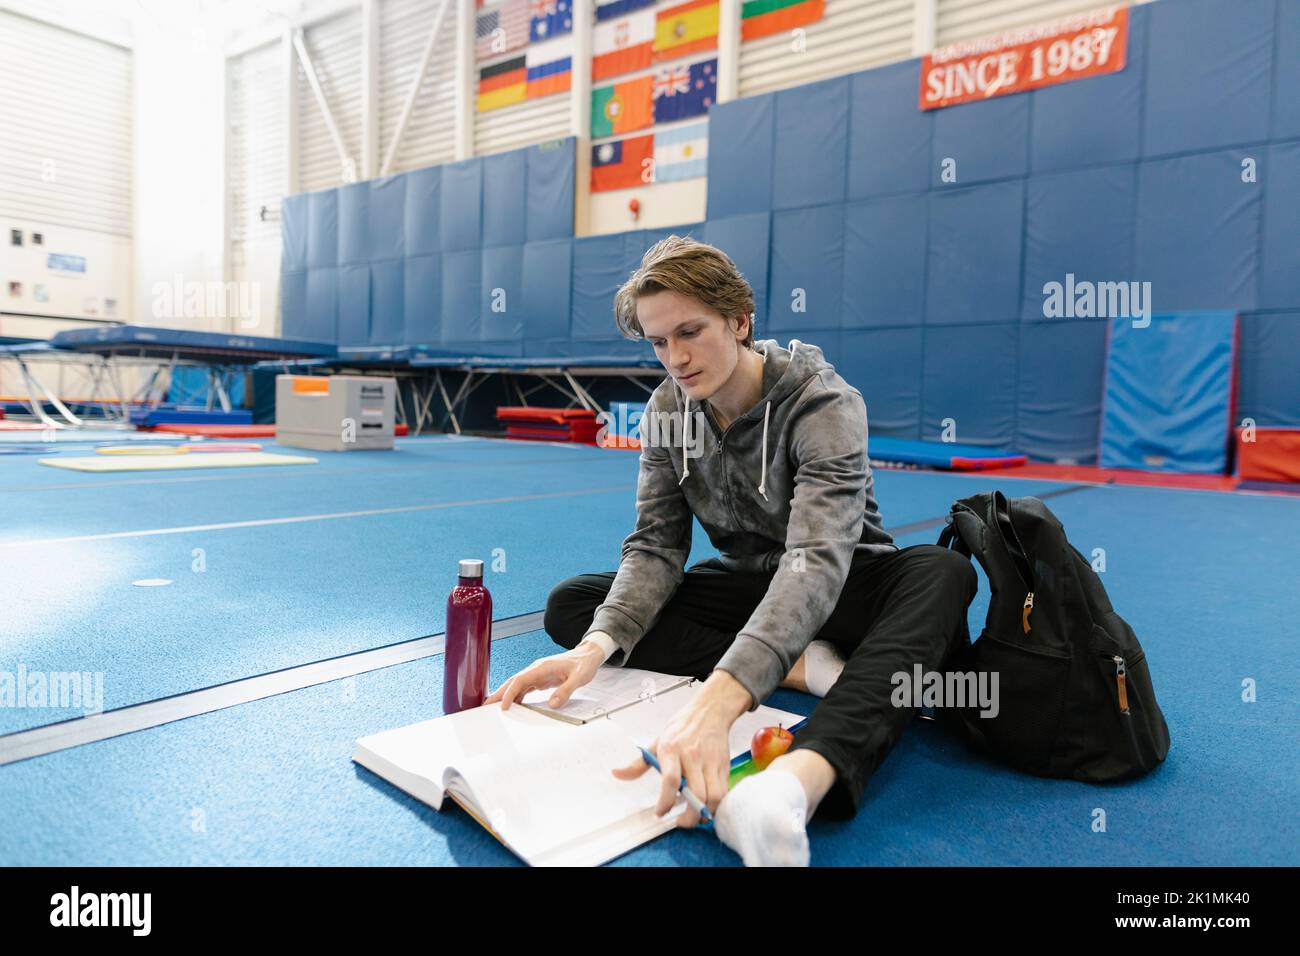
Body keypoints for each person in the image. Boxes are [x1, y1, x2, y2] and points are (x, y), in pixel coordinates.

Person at [484, 236, 977, 865]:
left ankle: (793, 785)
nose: (677, 358)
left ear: (740, 320)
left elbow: (815, 561)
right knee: (576, 606)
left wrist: (720, 700)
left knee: (944, 572)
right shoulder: (668, 410)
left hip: (850, 585)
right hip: (748, 586)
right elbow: (657, 546)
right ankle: (808, 669)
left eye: (691, 331)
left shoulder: (825, 403)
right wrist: (593, 651)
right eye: (659, 342)